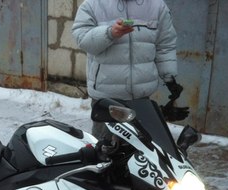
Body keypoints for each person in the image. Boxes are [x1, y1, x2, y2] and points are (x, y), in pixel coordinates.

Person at [72, 0, 187, 139]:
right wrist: (110, 33)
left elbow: (165, 45)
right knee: (105, 147)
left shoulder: (156, 5)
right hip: (107, 99)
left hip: (141, 99)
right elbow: (83, 40)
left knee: (141, 147)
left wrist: (169, 77)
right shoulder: (93, 4)